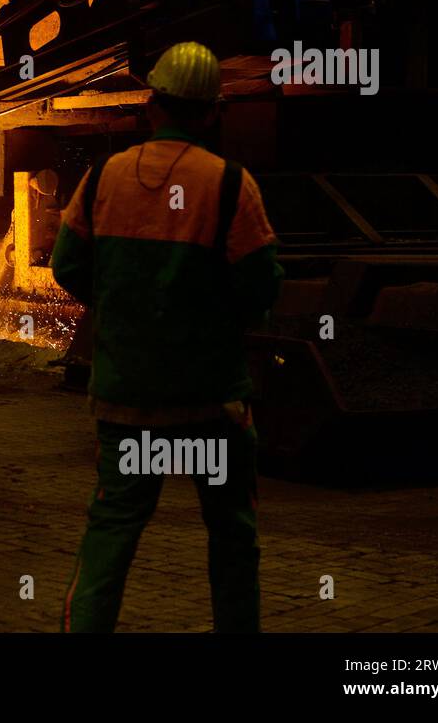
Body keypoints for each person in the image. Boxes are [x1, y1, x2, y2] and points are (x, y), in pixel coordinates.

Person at [51, 41, 283, 633]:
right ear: (211, 113)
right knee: (232, 534)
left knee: (112, 530)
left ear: (152, 107)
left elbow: (67, 266)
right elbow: (261, 285)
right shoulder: (230, 185)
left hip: (127, 401)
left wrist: (120, 312)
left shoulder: (104, 176)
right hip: (212, 405)